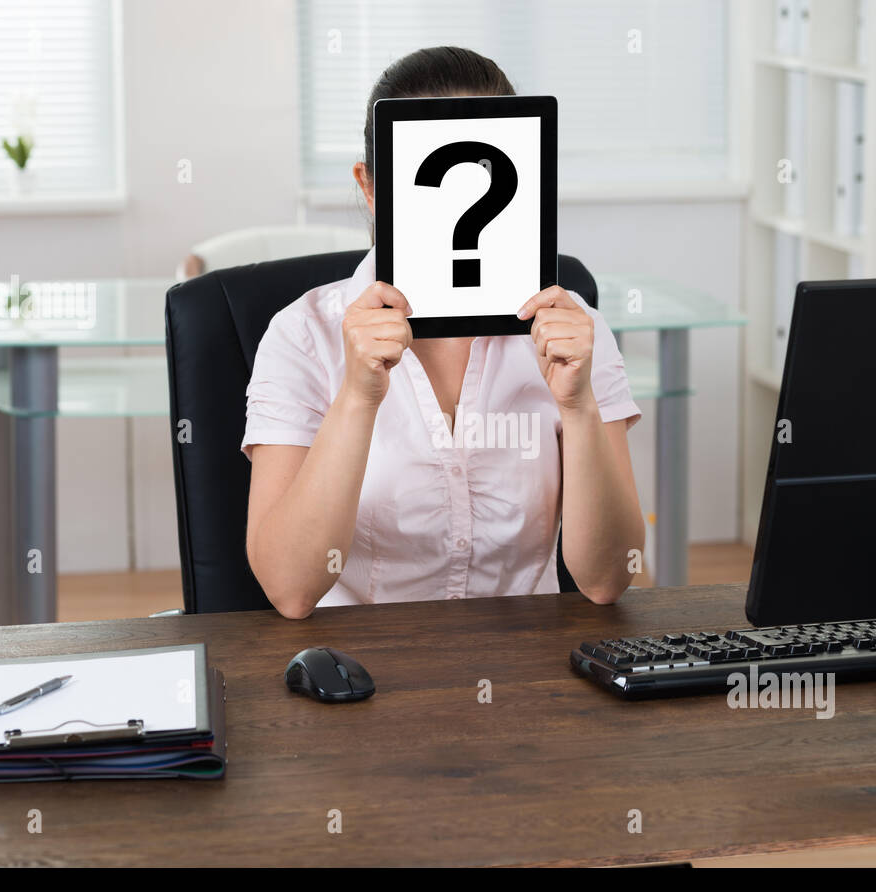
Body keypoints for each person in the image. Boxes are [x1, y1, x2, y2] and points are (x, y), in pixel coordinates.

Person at [243, 46, 644, 619]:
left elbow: (610, 579)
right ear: (372, 188)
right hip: (358, 672)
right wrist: (357, 398)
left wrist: (579, 408)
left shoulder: (572, 329)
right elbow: (289, 587)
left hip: (527, 673)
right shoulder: (302, 335)